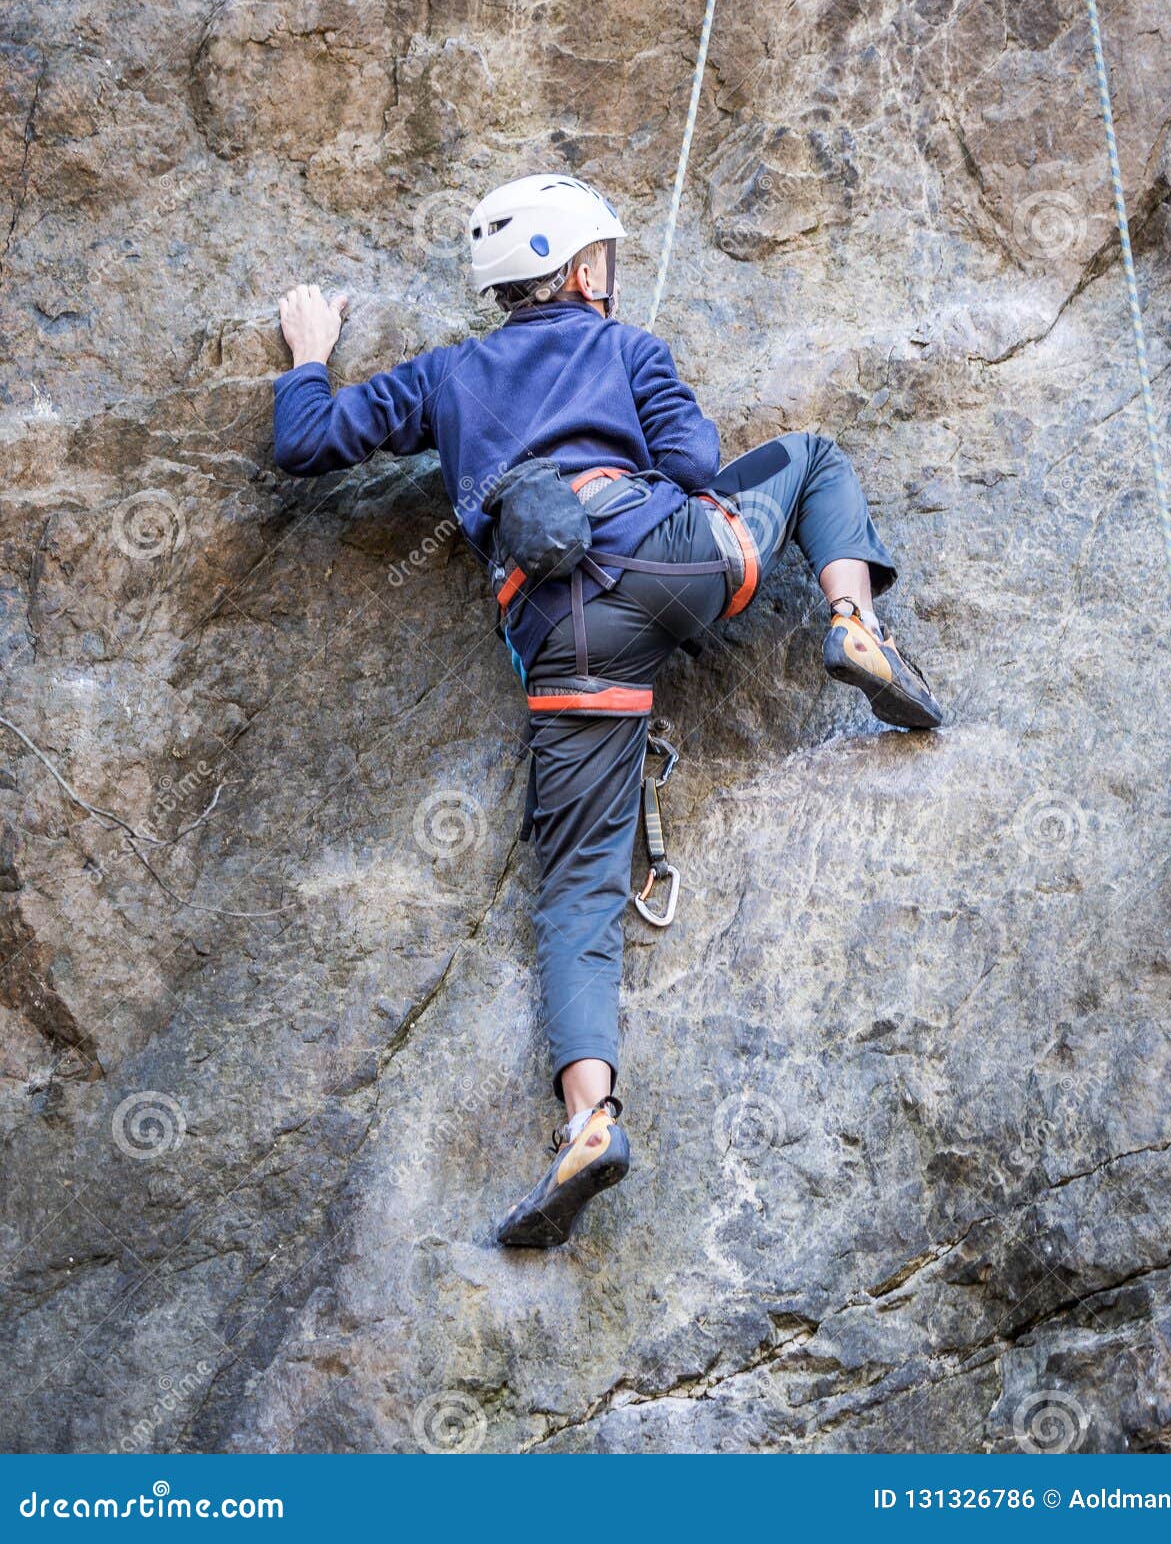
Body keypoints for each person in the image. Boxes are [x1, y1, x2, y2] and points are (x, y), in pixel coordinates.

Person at [273, 173, 941, 1247]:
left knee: (579, 890)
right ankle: (853, 624)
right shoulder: (627, 349)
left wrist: (308, 354)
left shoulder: (448, 376)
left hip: (563, 639)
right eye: (607, 263)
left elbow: (306, 447)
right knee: (813, 457)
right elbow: (690, 462)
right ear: (582, 271)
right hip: (675, 559)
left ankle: (590, 1119)